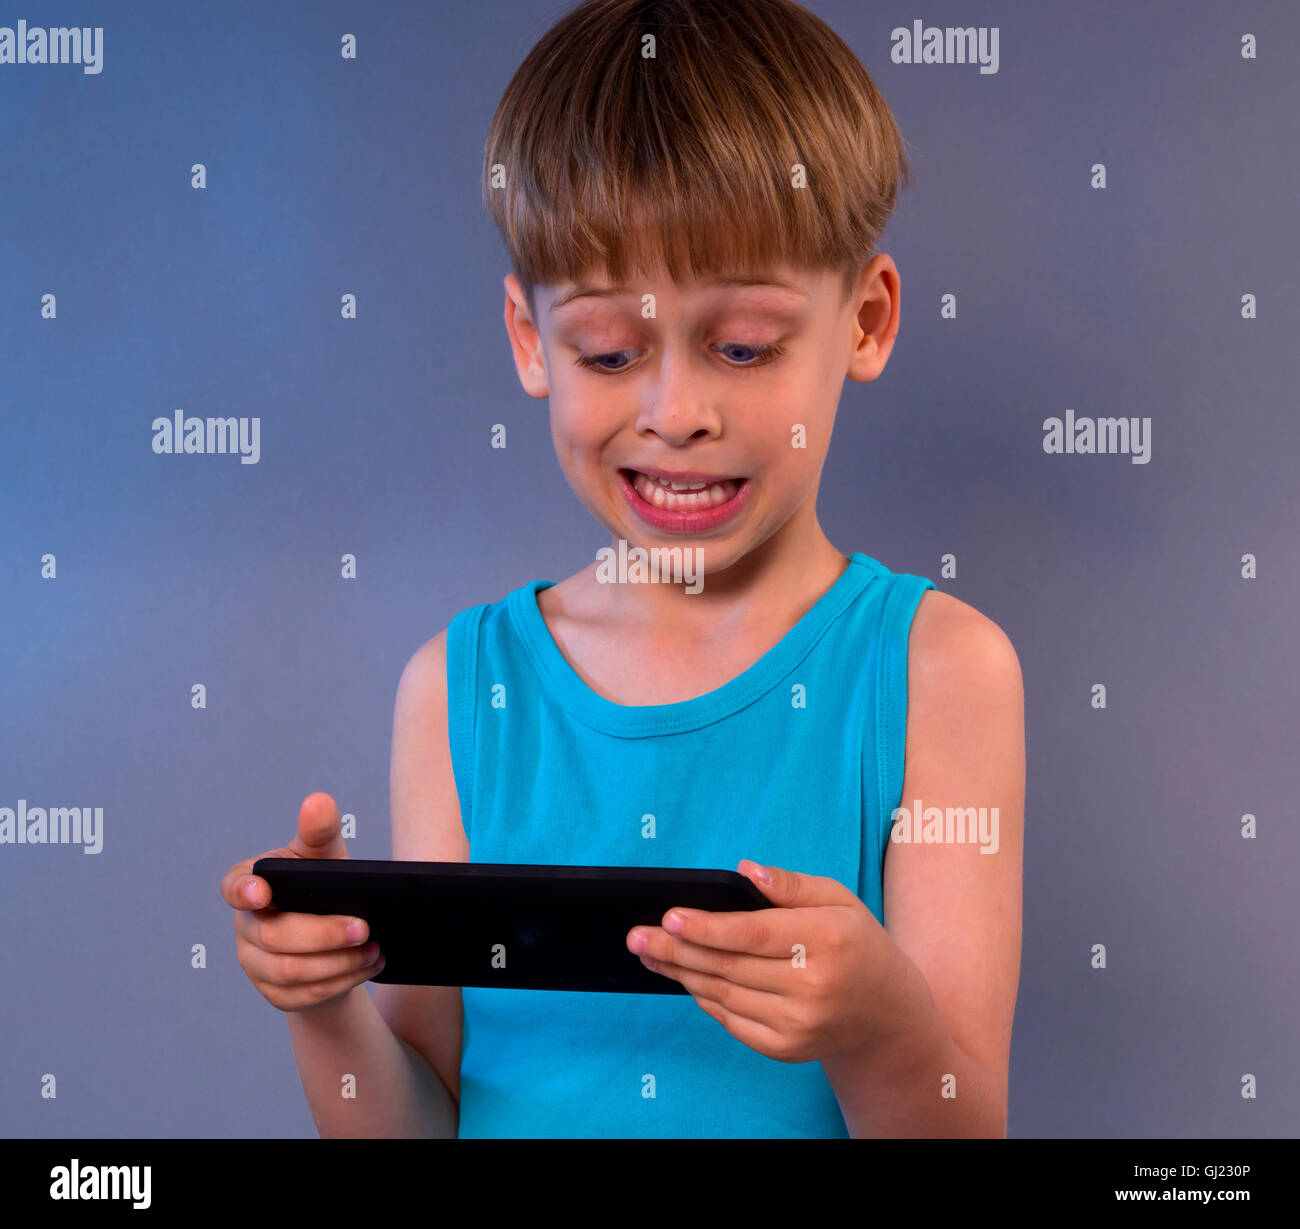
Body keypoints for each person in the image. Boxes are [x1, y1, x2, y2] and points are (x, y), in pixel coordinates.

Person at [221, 0, 1023, 1138]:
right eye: (608, 351)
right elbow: (406, 1124)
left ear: (868, 320)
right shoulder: (455, 688)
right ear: (528, 339)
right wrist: (322, 1004)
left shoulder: (942, 672)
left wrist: (878, 1022)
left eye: (742, 344)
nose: (677, 412)